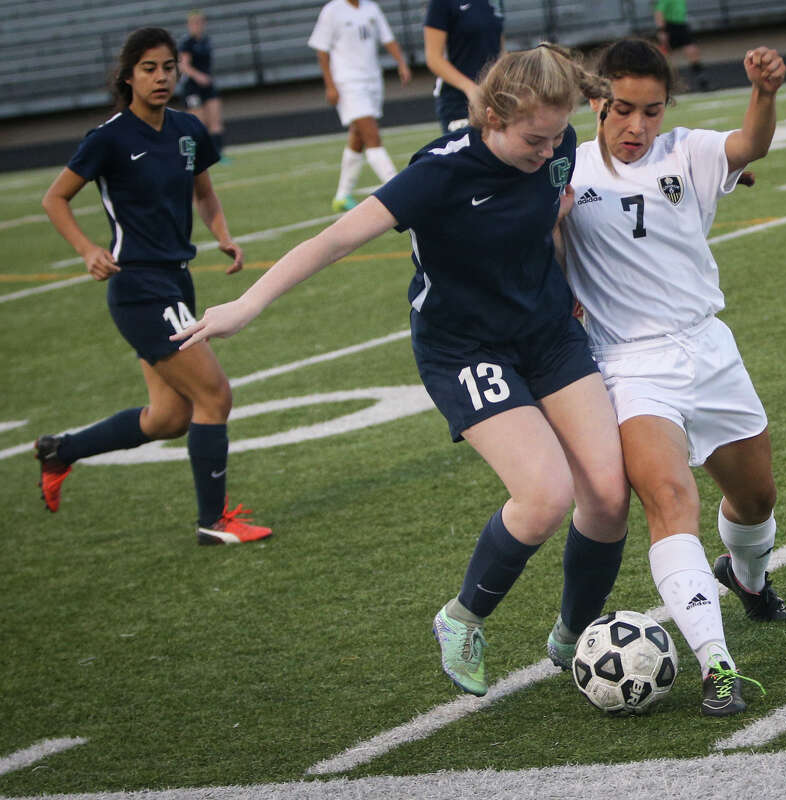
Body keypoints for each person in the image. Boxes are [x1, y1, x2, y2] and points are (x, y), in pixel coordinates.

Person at [171, 45, 629, 697]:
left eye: (557, 136)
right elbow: (333, 241)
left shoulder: (556, 144)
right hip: (466, 346)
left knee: (609, 497)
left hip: (548, 332)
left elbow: (549, 220)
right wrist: (247, 305)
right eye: (535, 138)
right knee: (545, 496)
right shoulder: (438, 174)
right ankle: (462, 617)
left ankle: (574, 634)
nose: (548, 149)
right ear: (494, 116)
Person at [559, 38, 786, 716]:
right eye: (623, 109)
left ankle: (746, 578)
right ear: (597, 102)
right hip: (627, 366)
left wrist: (765, 92)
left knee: (756, 501)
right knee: (669, 501)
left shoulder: (684, 152)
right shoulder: (563, 173)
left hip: (708, 350)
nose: (637, 127)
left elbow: (750, 143)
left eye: (651, 111)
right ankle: (718, 667)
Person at [37, 26, 272, 546]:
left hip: (177, 283)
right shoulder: (109, 137)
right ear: (128, 76)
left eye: (168, 66)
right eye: (149, 68)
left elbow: (204, 194)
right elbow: (56, 198)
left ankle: (61, 452)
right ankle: (214, 523)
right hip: (140, 287)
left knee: (168, 418)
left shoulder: (188, 130)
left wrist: (223, 236)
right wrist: (88, 250)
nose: (161, 76)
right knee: (215, 395)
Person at [308, 0, 413, 212]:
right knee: (372, 135)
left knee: (359, 135)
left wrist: (401, 63)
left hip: (373, 80)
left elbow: (388, 38)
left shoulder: (371, 8)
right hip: (348, 82)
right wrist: (330, 85)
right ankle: (399, 189)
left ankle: (342, 195)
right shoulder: (332, 11)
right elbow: (322, 51)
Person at [423, 0, 504, 134]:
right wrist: (471, 89)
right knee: (469, 153)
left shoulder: (493, 2)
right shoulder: (440, 3)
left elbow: (499, 49)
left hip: (494, 96)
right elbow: (433, 58)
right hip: (459, 101)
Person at [178, 10, 226, 161]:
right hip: (193, 87)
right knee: (199, 123)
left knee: (215, 120)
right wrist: (198, 76)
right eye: (194, 23)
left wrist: (207, 78)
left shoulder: (206, 41)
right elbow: (183, 66)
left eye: (199, 22)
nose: (197, 26)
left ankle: (218, 154)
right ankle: (199, 156)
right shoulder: (187, 43)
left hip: (208, 85)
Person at [653, 0, 708, 92]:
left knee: (692, 50)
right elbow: (658, 12)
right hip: (670, 26)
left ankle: (700, 78)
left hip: (681, 25)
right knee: (663, 55)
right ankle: (657, 79)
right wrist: (661, 30)